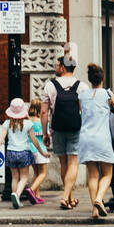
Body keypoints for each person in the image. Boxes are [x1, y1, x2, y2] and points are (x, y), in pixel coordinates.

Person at [0, 98, 48, 210]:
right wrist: (41, 152)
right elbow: (34, 140)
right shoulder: (28, 123)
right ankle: (17, 194)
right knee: (24, 177)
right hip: (24, 152)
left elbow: (1, 139)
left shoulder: (7, 123)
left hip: (11, 152)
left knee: (15, 177)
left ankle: (16, 199)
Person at [77, 63, 114, 221]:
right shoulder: (107, 94)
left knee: (93, 175)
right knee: (108, 173)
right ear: (102, 78)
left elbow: (82, 112)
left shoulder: (82, 95)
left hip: (86, 137)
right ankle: (99, 199)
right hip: (102, 138)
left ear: (90, 80)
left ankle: (95, 210)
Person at [43, 53, 82, 210]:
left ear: (63, 67)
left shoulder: (50, 85)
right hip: (75, 128)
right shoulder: (81, 85)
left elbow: (44, 112)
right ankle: (69, 197)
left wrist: (45, 132)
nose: (55, 68)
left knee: (63, 163)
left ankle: (66, 197)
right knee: (73, 162)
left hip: (57, 128)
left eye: (57, 66)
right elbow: (83, 110)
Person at [26, 99, 50, 204]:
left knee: (36, 172)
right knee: (43, 173)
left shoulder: (27, 121)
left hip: (29, 149)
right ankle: (31, 189)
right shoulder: (42, 121)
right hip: (40, 149)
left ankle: (36, 196)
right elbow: (46, 135)